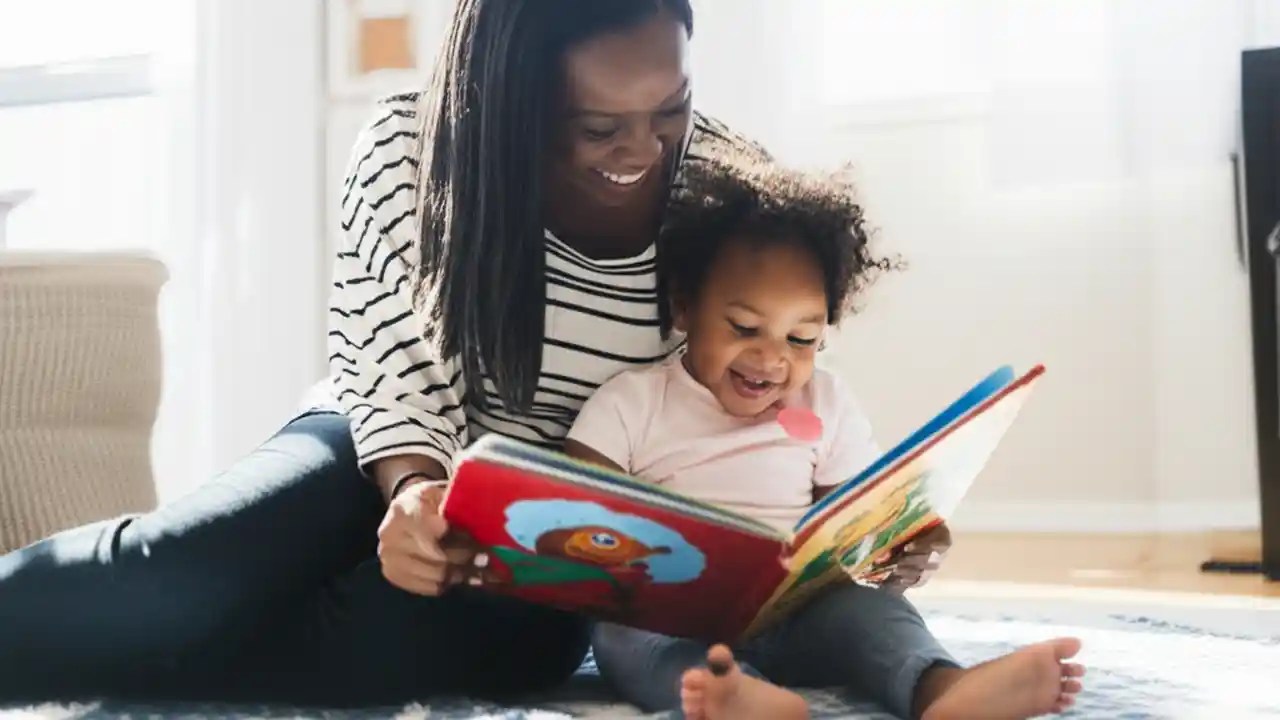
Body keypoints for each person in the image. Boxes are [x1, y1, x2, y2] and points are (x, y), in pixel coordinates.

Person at [0, 0, 950, 706]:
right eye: (598, 125)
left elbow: (767, 364)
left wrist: (853, 527)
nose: (647, 149)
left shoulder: (721, 180)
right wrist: (413, 487)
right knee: (187, 573)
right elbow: (383, 361)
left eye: (671, 108)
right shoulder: (409, 148)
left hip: (560, 521)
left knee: (393, 651)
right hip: (380, 438)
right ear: (508, 96)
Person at [563, 149, 1087, 720]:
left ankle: (942, 689)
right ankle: (734, 696)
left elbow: (860, 523)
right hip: (675, 620)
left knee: (873, 617)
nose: (770, 358)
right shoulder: (633, 402)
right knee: (620, 637)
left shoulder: (828, 403)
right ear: (684, 305)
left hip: (798, 618)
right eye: (744, 328)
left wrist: (907, 542)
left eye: (802, 338)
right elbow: (573, 512)